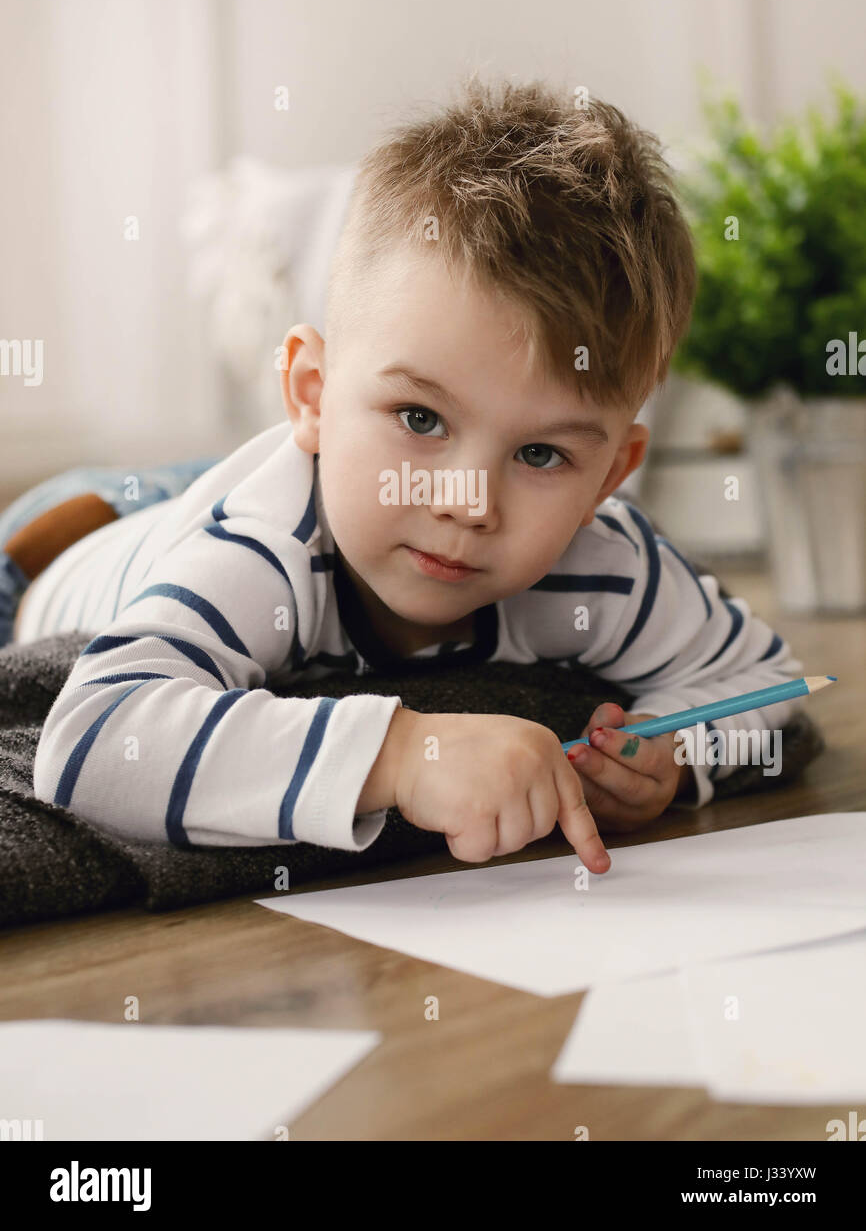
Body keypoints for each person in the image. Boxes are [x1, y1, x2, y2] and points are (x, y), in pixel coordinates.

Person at [8, 77, 802, 870]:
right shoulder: (260, 552)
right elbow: (91, 744)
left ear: (608, 478)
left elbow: (764, 680)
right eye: (421, 419)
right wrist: (401, 754)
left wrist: (676, 756)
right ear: (310, 394)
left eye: (541, 455)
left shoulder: (609, 567)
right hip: (70, 552)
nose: (469, 504)